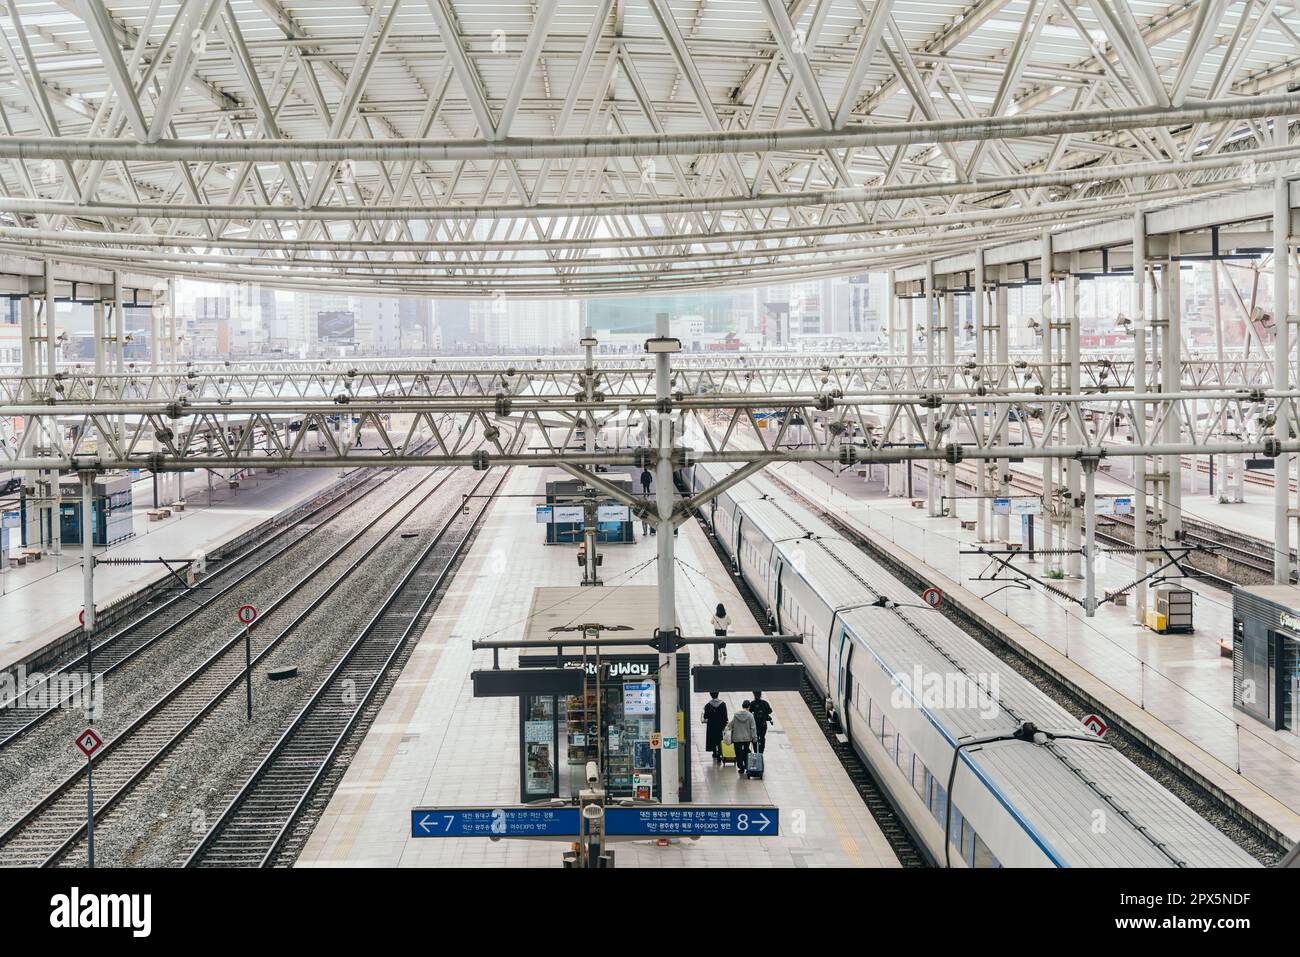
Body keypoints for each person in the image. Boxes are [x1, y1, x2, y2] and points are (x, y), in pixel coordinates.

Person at [729, 700, 758, 775]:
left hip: (737, 738)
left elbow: (731, 725)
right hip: (746, 738)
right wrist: (754, 737)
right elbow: (753, 728)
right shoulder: (750, 716)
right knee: (746, 752)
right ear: (749, 706)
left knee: (738, 753)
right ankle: (747, 766)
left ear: (742, 705)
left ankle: (741, 768)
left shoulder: (736, 715)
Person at [701, 692, 729, 764]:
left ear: (711, 695)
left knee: (713, 739)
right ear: (718, 694)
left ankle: (714, 753)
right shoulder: (723, 704)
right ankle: (720, 753)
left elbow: (705, 717)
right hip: (720, 726)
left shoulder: (707, 705)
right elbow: (725, 717)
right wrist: (724, 724)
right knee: (720, 739)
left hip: (711, 726)